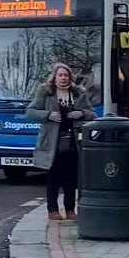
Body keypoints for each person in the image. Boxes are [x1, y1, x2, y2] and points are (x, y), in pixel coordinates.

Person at [26, 63, 93, 221]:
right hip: (52, 141)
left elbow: (92, 114)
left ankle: (70, 210)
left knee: (71, 178)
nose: (63, 78)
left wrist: (81, 113)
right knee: (53, 177)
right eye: (60, 75)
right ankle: (52, 210)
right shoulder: (46, 93)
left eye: (66, 76)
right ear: (54, 78)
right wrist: (48, 115)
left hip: (73, 141)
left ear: (71, 78)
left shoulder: (78, 94)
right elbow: (30, 112)